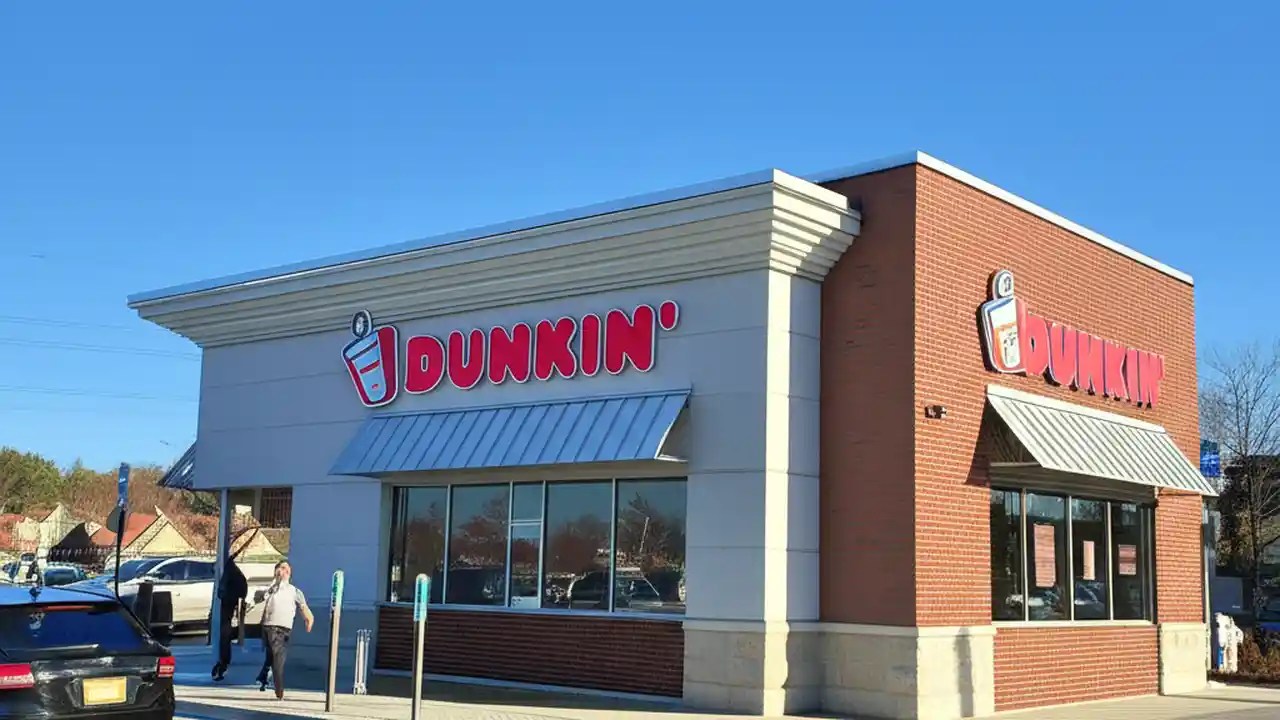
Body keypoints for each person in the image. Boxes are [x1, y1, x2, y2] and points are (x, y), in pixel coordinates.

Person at [255, 560, 313, 700]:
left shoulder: (295, 591)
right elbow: (258, 598)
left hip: (285, 629)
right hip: (270, 627)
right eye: (280, 569)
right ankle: (279, 690)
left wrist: (309, 620)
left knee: (273, 656)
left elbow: (304, 608)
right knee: (278, 657)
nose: (284, 571)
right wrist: (274, 583)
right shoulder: (271, 589)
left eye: (286, 569)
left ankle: (263, 676)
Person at [211, 543, 248, 682]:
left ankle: (223, 661)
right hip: (229, 601)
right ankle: (223, 660)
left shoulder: (228, 569)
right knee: (224, 632)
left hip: (227, 602)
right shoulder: (229, 568)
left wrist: (223, 594)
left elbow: (225, 588)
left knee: (224, 632)